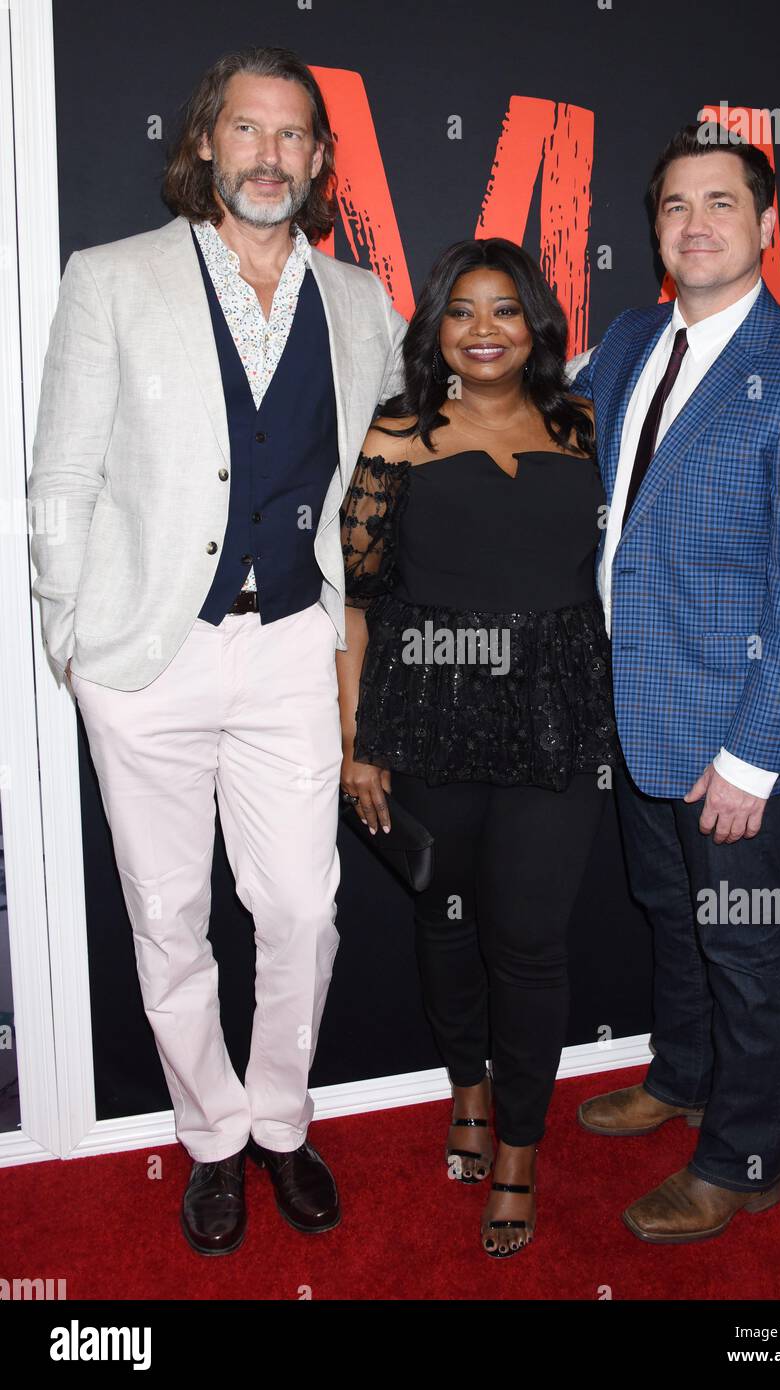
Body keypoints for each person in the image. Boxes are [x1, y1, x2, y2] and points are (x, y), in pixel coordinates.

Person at [27, 46, 407, 1256]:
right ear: (207, 141)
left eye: (294, 137)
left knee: (301, 905)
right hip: (148, 656)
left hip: (293, 643)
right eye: (249, 131)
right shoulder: (113, 278)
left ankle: (283, 1122)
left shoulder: (360, 303)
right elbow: (63, 476)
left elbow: (375, 490)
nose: (270, 156)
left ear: (318, 160)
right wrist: (71, 639)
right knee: (168, 911)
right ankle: (211, 1137)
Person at [569, 123, 780, 1243]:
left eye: (723, 204)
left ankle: (744, 1157)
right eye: (676, 207)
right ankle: (682, 1077)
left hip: (734, 726)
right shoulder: (635, 333)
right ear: (656, 229)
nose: (697, 224)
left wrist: (753, 756)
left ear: (767, 224)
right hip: (635, 704)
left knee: (740, 943)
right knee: (668, 913)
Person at [336, 237, 619, 1257]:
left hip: (558, 709)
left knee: (531, 940)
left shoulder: (583, 424)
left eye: (506, 308)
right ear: (438, 330)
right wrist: (358, 740)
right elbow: (358, 601)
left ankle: (521, 1148)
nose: (486, 327)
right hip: (428, 709)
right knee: (447, 917)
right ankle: (467, 1084)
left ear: (538, 324)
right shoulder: (401, 431)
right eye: (463, 310)